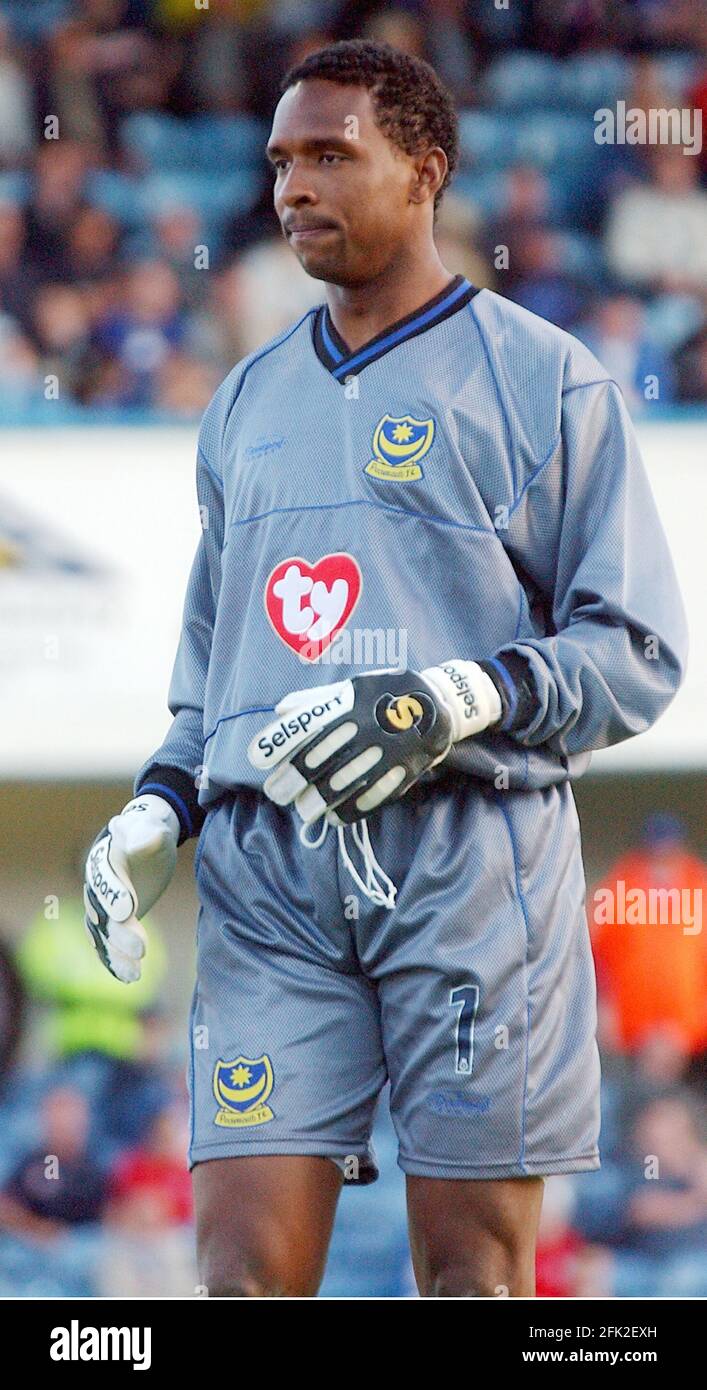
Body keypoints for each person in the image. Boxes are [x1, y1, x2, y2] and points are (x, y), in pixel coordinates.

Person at [82, 40, 687, 1298]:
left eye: (328, 156)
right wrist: (162, 801)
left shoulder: (545, 380)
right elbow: (214, 672)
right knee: (240, 1279)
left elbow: (634, 651)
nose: (292, 187)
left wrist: (456, 697)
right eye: (278, 162)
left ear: (423, 170)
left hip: (470, 867)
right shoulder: (242, 401)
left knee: (470, 1280)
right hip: (268, 883)